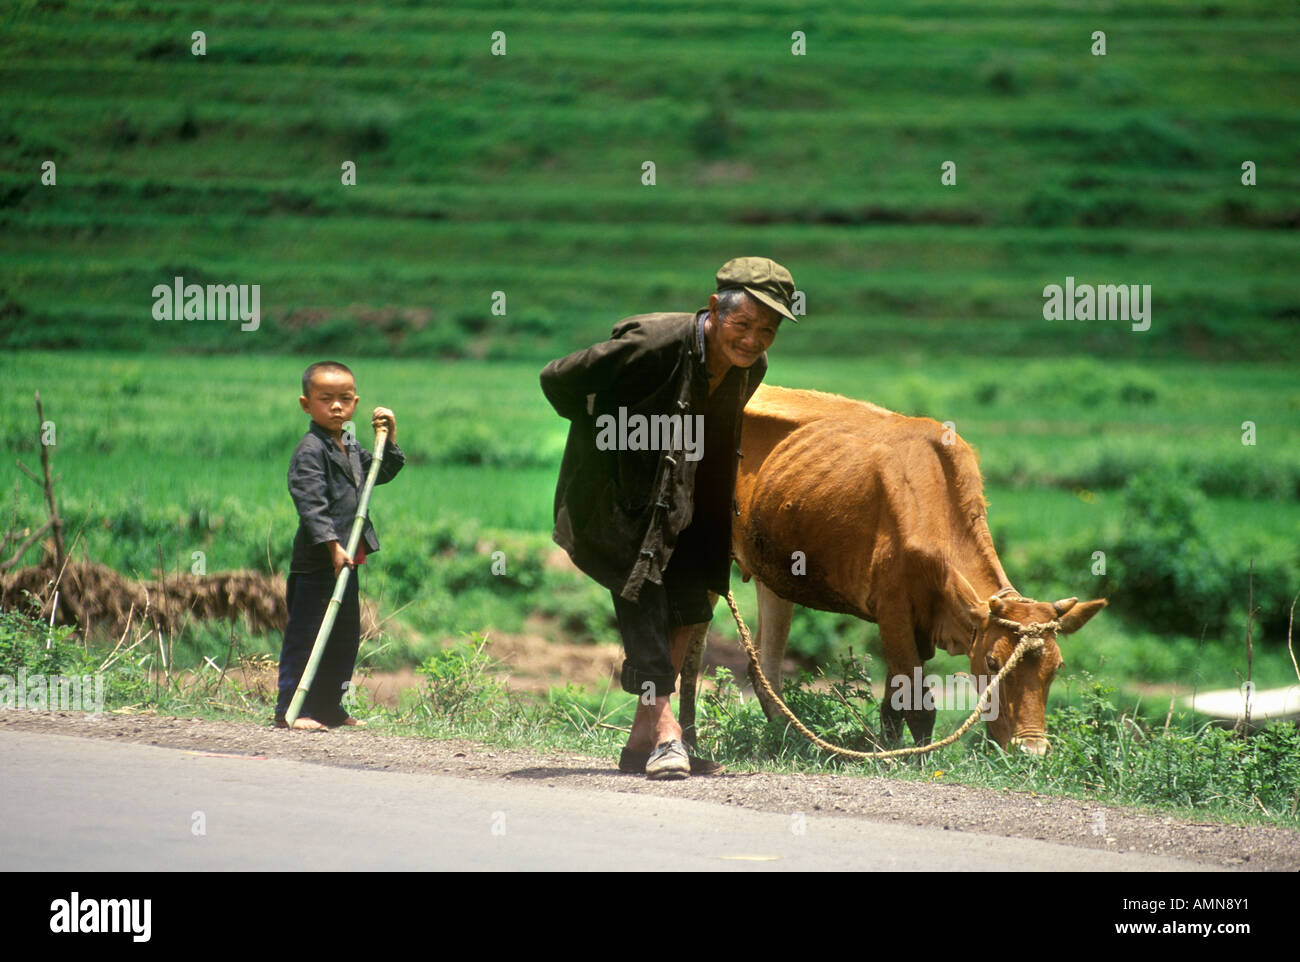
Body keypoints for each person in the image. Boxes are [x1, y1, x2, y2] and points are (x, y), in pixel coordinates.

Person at [540, 257, 797, 778]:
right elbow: (558, 379)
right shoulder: (653, 345)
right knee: (644, 595)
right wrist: (610, 434)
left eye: (766, 331)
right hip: (618, 495)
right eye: (742, 325)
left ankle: (640, 745)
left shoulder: (753, 368)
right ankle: (666, 734)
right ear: (714, 311)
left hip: (688, 495)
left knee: (691, 601)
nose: (751, 341)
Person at [274, 360, 404, 730]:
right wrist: (332, 546)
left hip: (349, 558)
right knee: (308, 633)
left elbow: (381, 470)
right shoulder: (310, 450)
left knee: (344, 636)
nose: (336, 407)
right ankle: (291, 710)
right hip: (320, 560)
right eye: (326, 399)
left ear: (355, 402)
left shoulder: (347, 442)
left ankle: (331, 709)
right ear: (306, 404)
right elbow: (310, 503)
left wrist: (389, 437)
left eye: (345, 399)